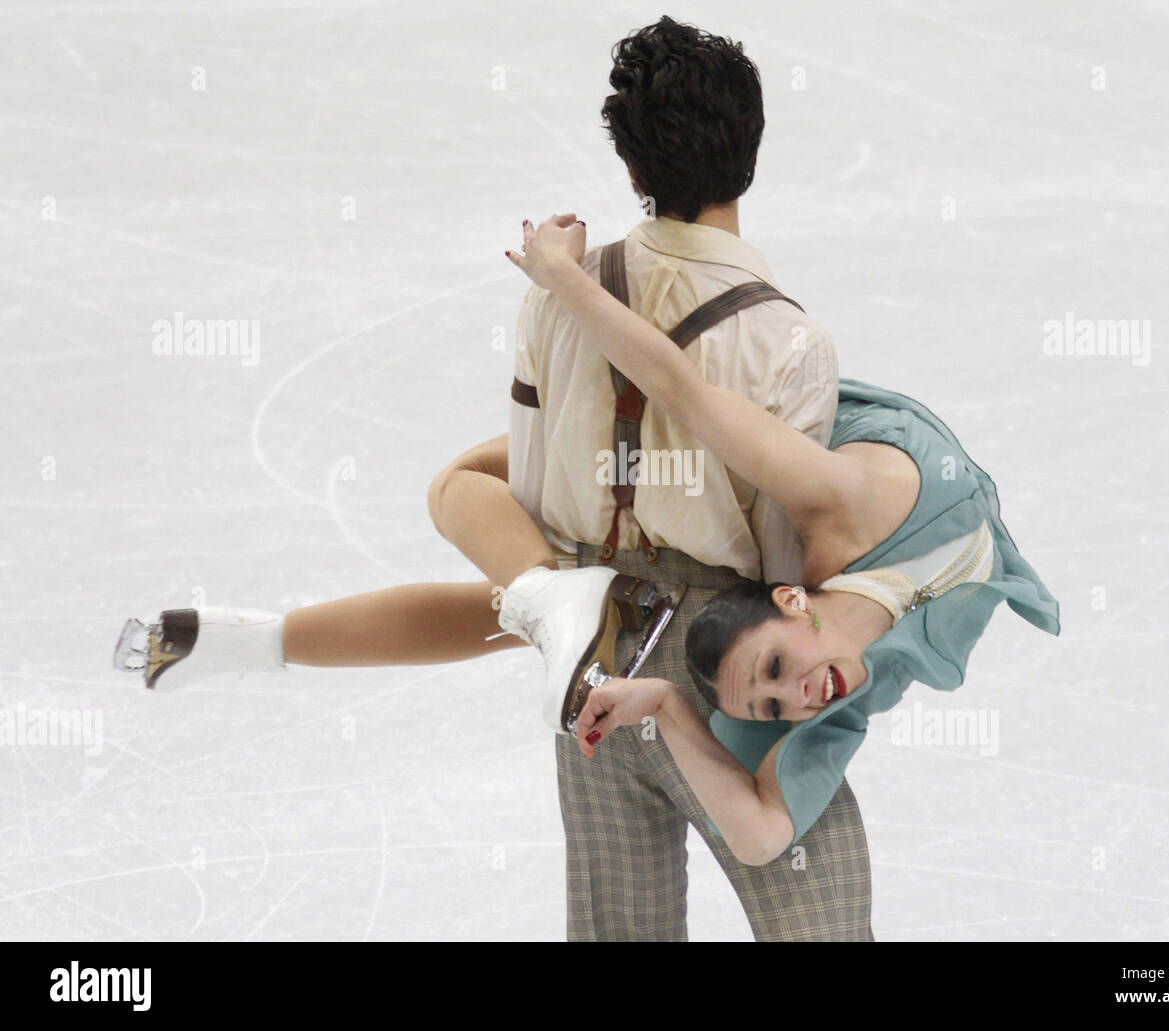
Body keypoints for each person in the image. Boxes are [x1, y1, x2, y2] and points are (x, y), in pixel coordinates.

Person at [116, 16, 876, 942]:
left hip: (594, 664)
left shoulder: (554, 295)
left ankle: (294, 632)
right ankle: (297, 632)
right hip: (738, 668)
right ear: (752, 149)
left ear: (633, 172)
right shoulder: (790, 342)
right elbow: (793, 560)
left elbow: (539, 493)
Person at [505, 213, 1061, 866]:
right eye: (772, 703)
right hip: (723, 468)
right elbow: (761, 836)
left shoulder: (837, 509)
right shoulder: (833, 701)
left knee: (502, 479)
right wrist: (666, 702)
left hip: (819, 436)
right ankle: (529, 583)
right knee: (481, 493)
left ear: (795, 599)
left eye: (773, 669)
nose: (794, 698)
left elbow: (681, 389)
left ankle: (531, 584)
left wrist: (560, 278)